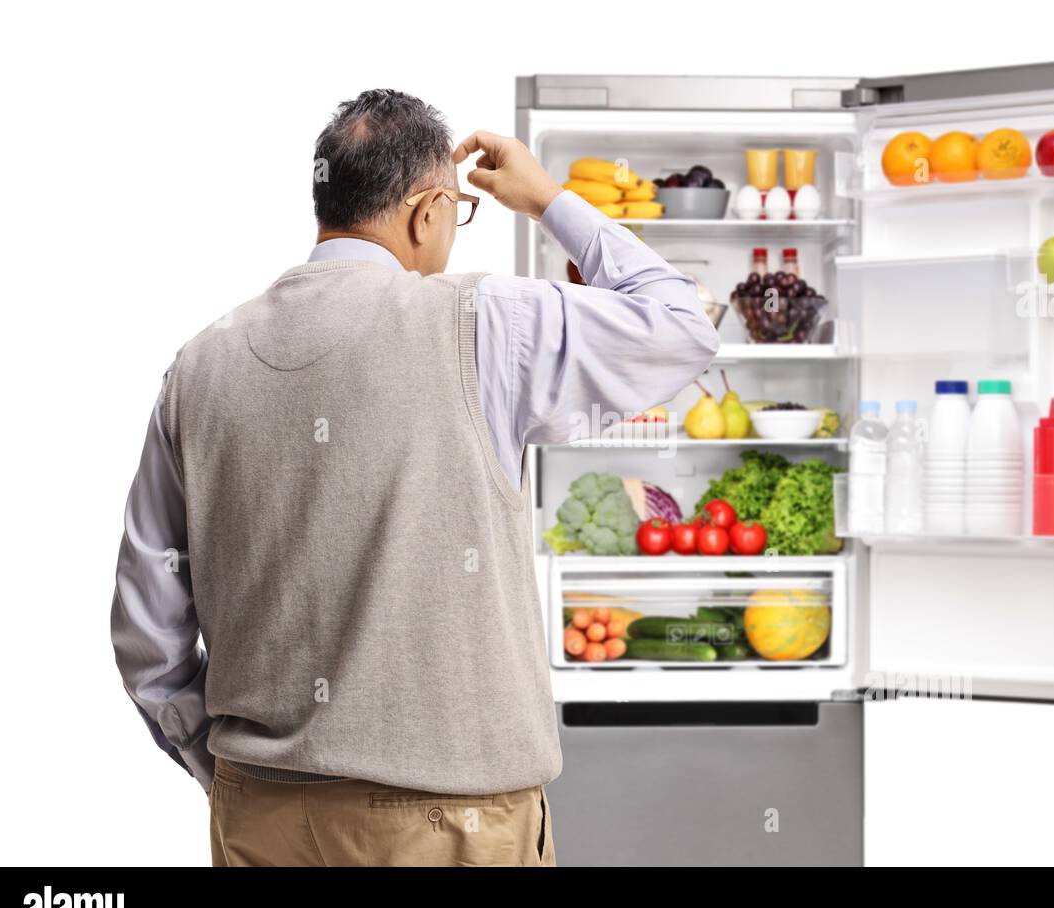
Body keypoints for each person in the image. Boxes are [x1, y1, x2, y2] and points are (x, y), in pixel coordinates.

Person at [109, 89, 719, 866]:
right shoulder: (487, 323)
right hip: (449, 824)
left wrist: (231, 771)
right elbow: (682, 322)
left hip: (259, 811)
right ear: (429, 211)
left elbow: (147, 627)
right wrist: (549, 201)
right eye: (456, 214)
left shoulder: (200, 364)